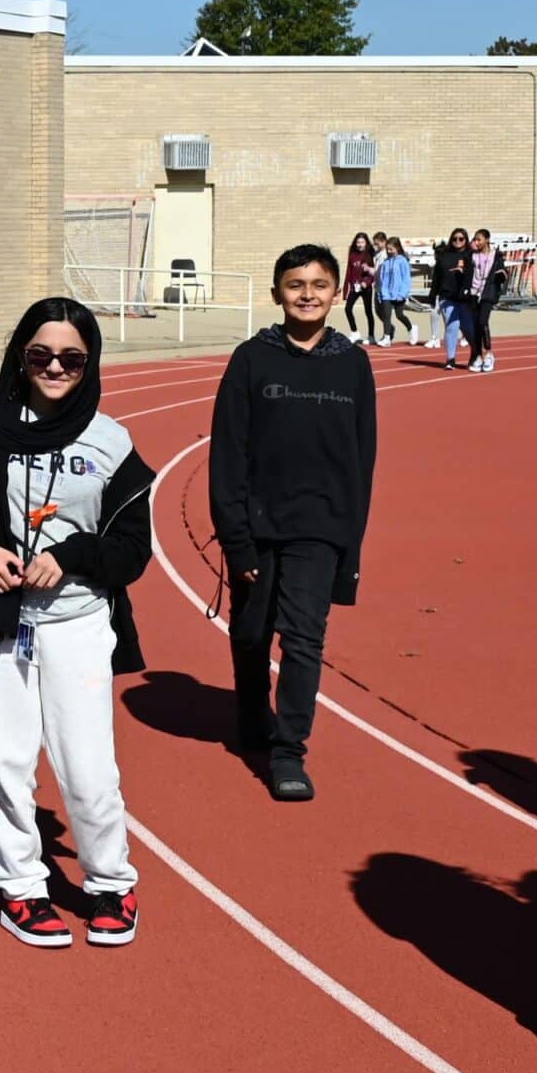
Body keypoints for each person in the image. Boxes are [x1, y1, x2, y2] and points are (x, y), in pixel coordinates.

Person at [0, 298, 154, 947]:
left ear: (89, 362)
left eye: (71, 357)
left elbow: (131, 551)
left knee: (88, 766)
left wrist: (70, 556)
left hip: (77, 621)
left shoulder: (110, 440)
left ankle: (109, 882)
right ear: (20, 355)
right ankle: (21, 885)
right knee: (9, 763)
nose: (55, 367)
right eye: (40, 355)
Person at [210, 243, 377, 803]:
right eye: (295, 285)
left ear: (336, 291)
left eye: (319, 284)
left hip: (322, 528)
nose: (308, 295)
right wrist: (236, 540)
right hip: (258, 525)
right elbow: (228, 454)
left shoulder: (353, 364)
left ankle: (289, 753)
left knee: (304, 639)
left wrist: (350, 547)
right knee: (252, 632)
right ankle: (252, 709)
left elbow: (363, 458)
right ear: (277, 292)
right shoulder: (251, 360)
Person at [431, 228, 476, 371]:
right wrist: (433, 294)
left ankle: (475, 352)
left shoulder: (471, 256)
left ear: (466, 240)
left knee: (467, 328)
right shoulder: (444, 256)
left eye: (461, 238)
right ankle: (450, 359)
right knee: (452, 326)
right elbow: (437, 277)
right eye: (455, 238)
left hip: (464, 298)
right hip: (447, 296)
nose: (458, 241)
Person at [467, 228, 508, 374]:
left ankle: (489, 353)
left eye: (479, 239)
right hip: (473, 292)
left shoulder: (496, 255)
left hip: (488, 292)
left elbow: (503, 271)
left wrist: (501, 275)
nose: (476, 242)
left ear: (487, 239)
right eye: (475, 240)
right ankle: (478, 355)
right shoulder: (472, 255)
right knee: (475, 324)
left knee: (483, 321)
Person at [375, 236, 417, 348]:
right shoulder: (386, 263)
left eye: (391, 249)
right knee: (386, 316)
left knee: (399, 315)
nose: (389, 252)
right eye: (387, 249)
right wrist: (381, 292)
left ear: (397, 248)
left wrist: (402, 293)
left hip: (399, 294)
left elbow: (406, 279)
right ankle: (387, 337)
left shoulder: (403, 261)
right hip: (386, 294)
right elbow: (382, 279)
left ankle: (411, 328)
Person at [342, 233, 378, 346]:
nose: (359, 245)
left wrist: (366, 282)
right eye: (358, 242)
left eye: (362, 242)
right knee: (348, 308)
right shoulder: (352, 254)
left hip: (366, 288)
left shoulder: (370, 254)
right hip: (355, 287)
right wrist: (345, 290)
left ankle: (371, 336)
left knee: (368, 311)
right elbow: (349, 272)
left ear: (366, 243)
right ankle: (354, 332)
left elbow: (374, 272)